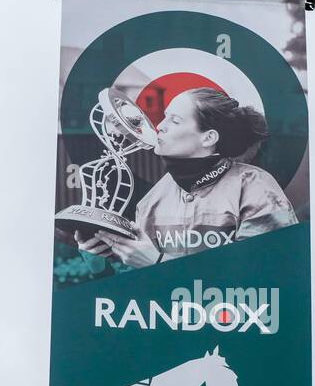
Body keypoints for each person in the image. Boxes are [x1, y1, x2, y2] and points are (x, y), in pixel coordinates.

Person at [76, 88, 297, 267]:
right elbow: (135, 290)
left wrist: (159, 263)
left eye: (175, 120)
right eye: (164, 118)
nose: (160, 127)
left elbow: (271, 273)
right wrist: (99, 263)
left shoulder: (256, 188)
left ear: (208, 137)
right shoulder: (153, 199)